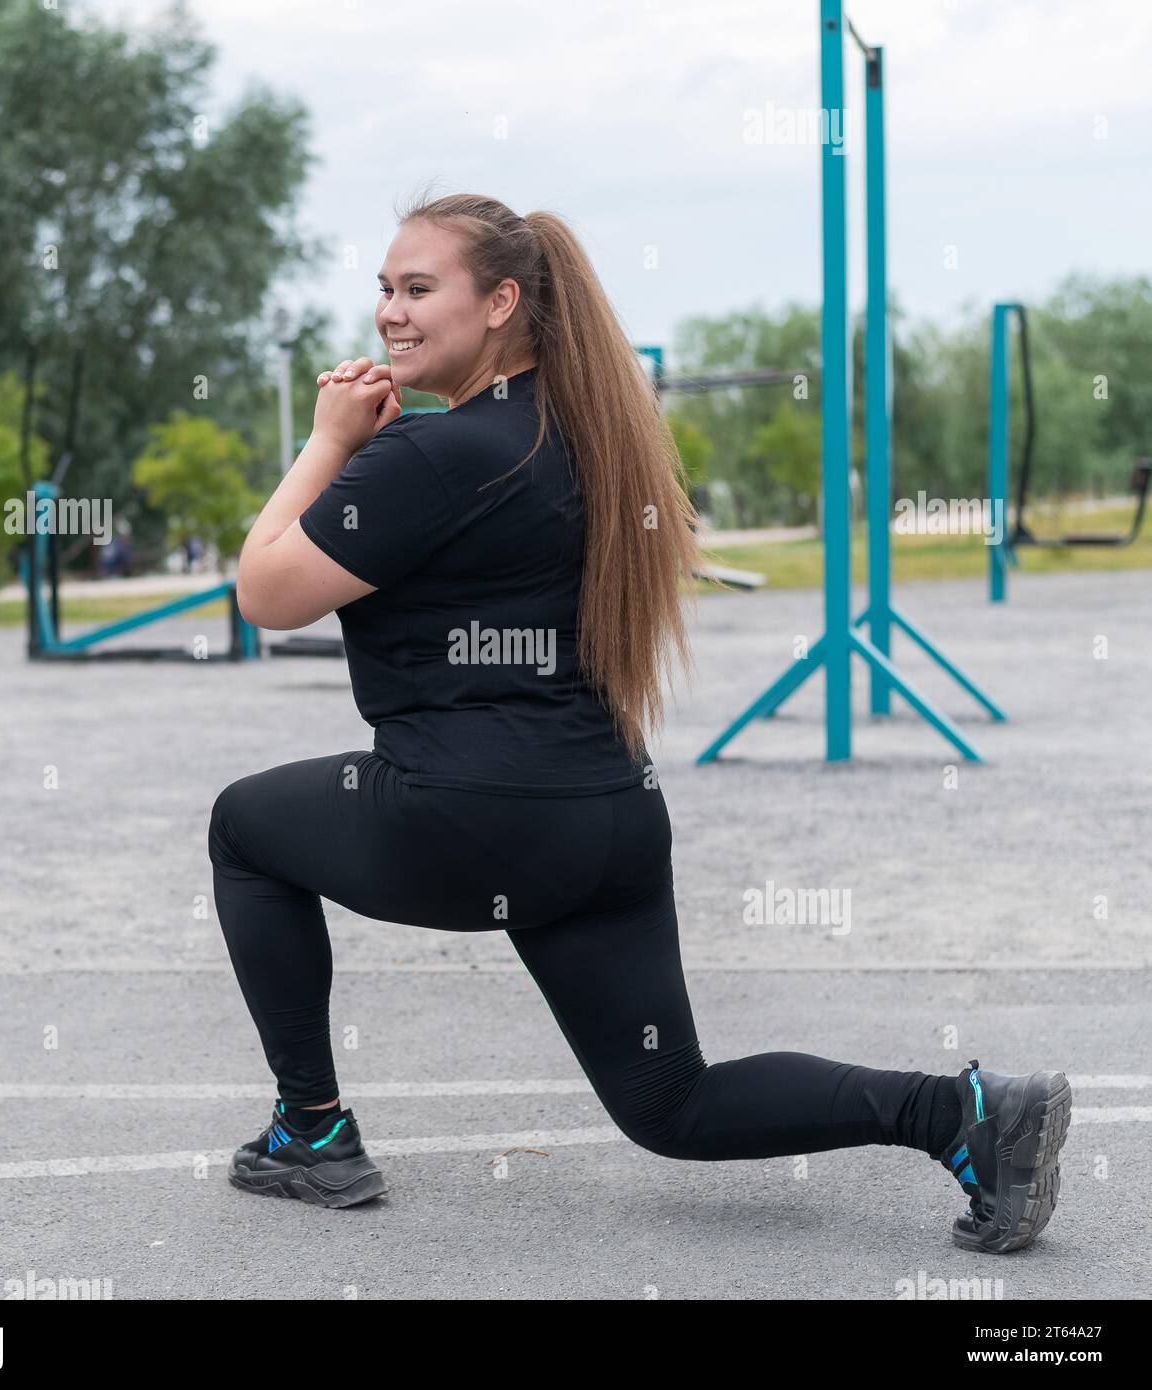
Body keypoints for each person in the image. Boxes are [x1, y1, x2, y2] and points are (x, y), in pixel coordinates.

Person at [208, 192, 1070, 1251]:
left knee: (244, 826)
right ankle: (965, 1112)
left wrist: (325, 439)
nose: (389, 310)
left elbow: (262, 592)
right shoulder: (579, 443)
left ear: (501, 304)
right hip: (607, 819)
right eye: (384, 287)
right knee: (674, 1104)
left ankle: (309, 1132)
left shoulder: (433, 455)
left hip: (468, 817)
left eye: (419, 288)